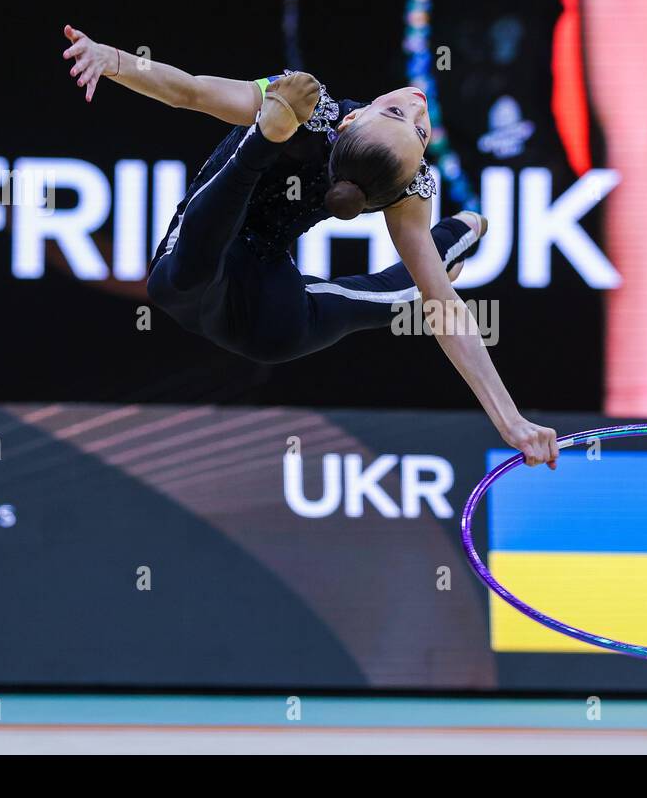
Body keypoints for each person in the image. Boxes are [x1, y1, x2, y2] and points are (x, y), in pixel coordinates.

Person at [62, 25, 558, 468]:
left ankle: (271, 142)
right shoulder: (308, 103)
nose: (417, 105)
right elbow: (188, 91)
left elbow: (445, 310)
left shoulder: (408, 186)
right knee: (188, 277)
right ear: (348, 121)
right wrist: (113, 60)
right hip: (203, 254)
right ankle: (264, 141)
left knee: (321, 319)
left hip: (264, 283)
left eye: (420, 130)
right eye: (399, 112)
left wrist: (511, 419)